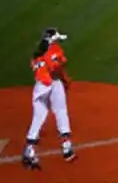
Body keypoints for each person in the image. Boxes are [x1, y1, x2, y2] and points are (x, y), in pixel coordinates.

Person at [23, 27, 76, 169]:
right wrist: (65, 79)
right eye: (56, 38)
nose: (57, 40)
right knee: (60, 111)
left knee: (39, 116)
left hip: (40, 87)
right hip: (54, 83)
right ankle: (66, 147)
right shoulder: (54, 50)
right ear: (51, 40)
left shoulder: (36, 55)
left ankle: (29, 149)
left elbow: (38, 68)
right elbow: (56, 68)